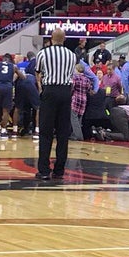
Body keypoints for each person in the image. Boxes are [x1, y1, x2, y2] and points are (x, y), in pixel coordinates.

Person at [33, 28, 78, 180]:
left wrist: (41, 88)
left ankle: (44, 170)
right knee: (63, 133)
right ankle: (59, 170)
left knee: (45, 132)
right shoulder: (72, 55)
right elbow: (71, 75)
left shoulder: (43, 53)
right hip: (65, 92)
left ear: (51, 39)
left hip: (50, 91)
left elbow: (38, 72)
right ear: (64, 39)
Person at [0, 53, 17, 134]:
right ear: (10, 60)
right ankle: (4, 130)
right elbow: (22, 76)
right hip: (8, 87)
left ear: (3, 59)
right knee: (6, 110)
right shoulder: (13, 66)